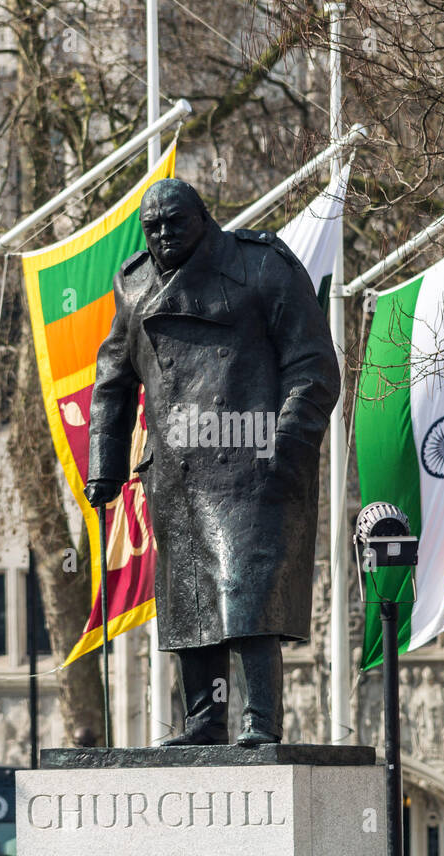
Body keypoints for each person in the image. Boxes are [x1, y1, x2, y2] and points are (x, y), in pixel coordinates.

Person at [85, 178, 339, 746]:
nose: (164, 234)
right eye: (153, 227)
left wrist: (288, 442)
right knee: (188, 597)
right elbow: (112, 382)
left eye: (175, 222)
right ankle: (204, 720)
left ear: (203, 218)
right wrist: (105, 463)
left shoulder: (262, 266)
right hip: (175, 467)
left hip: (251, 461)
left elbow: (313, 365)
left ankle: (260, 723)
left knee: (246, 592)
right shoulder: (135, 284)